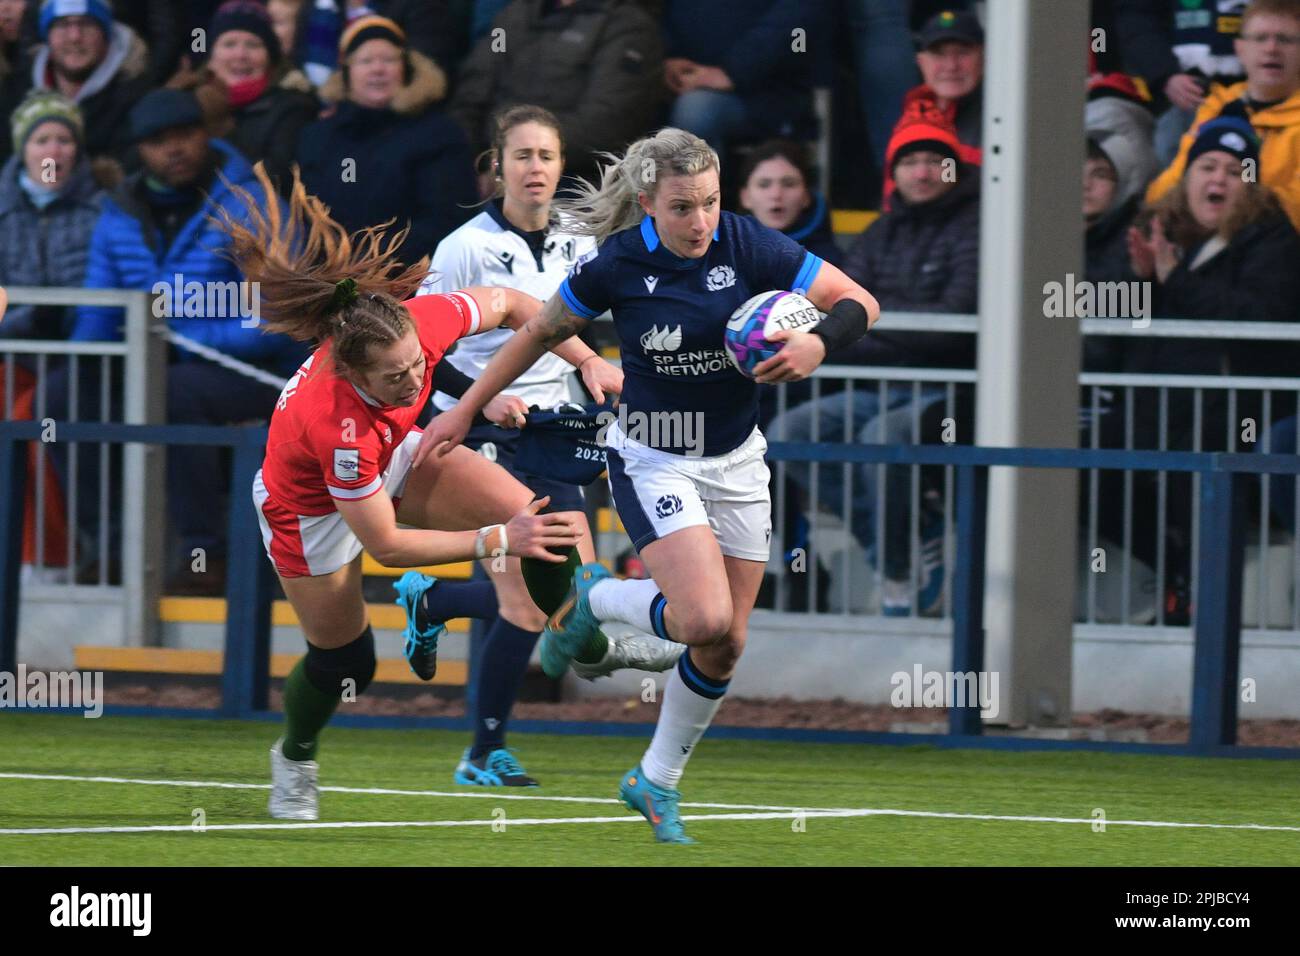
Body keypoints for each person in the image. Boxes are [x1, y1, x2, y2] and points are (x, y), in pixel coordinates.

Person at [420, 127, 879, 843]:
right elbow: (537, 330)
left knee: (727, 644)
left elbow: (858, 300)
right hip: (653, 456)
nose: (700, 221)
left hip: (736, 458)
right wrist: (468, 408)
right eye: (682, 207)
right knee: (700, 622)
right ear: (647, 204)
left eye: (710, 202)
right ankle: (593, 601)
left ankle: (655, 781)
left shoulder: (748, 244)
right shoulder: (618, 264)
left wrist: (819, 339)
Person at [214, 163, 624, 821]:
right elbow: (387, 543)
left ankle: (579, 635)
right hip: (309, 511)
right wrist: (496, 542)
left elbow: (520, 306)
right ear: (352, 372)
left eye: (416, 365)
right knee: (347, 664)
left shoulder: (419, 323)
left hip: (394, 454)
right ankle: (295, 757)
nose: (412, 380)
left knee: (534, 515)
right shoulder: (336, 422)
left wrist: (587, 360)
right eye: (394, 375)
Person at [409, 105, 683, 787]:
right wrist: (482, 394)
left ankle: (432, 604)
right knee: (537, 602)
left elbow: (590, 320)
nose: (536, 168)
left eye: (547, 156)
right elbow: (419, 349)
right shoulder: (463, 246)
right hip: (481, 432)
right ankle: (483, 753)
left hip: (559, 432)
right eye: (523, 155)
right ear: (496, 165)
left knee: (559, 605)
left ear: (562, 167)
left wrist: (603, 366)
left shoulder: (577, 243)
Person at [48, 88, 305, 593]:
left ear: (205, 134)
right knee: (65, 392)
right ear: (140, 151)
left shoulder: (251, 202)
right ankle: (109, 545)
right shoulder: (119, 210)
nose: (175, 149)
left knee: (176, 390)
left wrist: (181, 338)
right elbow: (99, 311)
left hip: (262, 369)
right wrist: (87, 360)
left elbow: (279, 313)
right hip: (157, 360)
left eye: (185, 135)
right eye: (159, 141)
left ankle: (202, 551)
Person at [768, 108, 979, 617]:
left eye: (935, 161)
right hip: (881, 384)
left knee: (880, 436)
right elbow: (839, 311)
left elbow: (955, 323)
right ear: (894, 173)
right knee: (793, 430)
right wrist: (881, 328)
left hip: (949, 391)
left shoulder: (976, 225)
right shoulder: (881, 231)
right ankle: (903, 544)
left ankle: (900, 569)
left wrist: (872, 324)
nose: (923, 172)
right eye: (911, 162)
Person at [1120, 115, 1300, 620]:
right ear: (1188, 176)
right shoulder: (1164, 233)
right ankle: (1175, 568)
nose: (1218, 179)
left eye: (1234, 170)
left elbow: (1255, 319)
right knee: (1090, 457)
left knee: (1194, 464)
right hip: (1159, 405)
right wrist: (1144, 284)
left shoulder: (1275, 241)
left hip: (1238, 412)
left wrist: (1175, 278)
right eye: (1207, 166)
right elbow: (1125, 339)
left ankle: (1204, 602)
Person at [0, 89, 105, 577]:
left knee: (30, 419)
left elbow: (106, 285)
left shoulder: (102, 208)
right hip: (15, 351)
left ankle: (50, 553)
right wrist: (23, 319)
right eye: (42, 138)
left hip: (81, 358)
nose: (54, 150)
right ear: (22, 148)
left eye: (65, 139)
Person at [297, 15, 475, 265]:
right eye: (366, 60)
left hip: (412, 281)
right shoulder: (317, 136)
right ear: (347, 72)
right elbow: (306, 215)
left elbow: (446, 217)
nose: (377, 69)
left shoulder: (439, 134)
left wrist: (372, 264)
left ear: (407, 68)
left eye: (389, 59)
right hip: (329, 281)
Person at [449, 0, 663, 187]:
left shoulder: (629, 27)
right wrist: (476, 161)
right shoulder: (514, 16)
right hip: (488, 163)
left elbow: (604, 128)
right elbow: (474, 92)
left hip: (574, 180)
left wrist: (516, 158)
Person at [1145, 0, 1300, 232]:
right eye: (1260, 38)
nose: (1271, 49)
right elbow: (1170, 184)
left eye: (1285, 39)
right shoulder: (1216, 107)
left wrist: (1232, 203)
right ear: (1240, 49)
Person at [168, 0, 320, 195]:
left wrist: (222, 127)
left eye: (253, 45)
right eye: (229, 44)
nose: (240, 55)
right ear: (211, 57)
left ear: (270, 58)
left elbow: (276, 179)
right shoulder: (184, 98)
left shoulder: (294, 108)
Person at [24, 0, 152, 166]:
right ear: (47, 36)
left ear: (106, 35)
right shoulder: (19, 89)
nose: (75, 37)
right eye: (63, 25)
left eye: (87, 24)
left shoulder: (136, 98)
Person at [882, 7, 984, 207]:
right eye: (939, 54)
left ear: (984, 58)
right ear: (921, 62)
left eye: (962, 53)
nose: (951, 66)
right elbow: (892, 203)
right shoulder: (911, 116)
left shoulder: (1002, 118)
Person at [737, 139, 842, 267]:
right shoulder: (721, 256)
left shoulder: (832, 268)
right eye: (764, 185)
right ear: (745, 197)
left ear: (806, 196)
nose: (776, 194)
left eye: (789, 184)